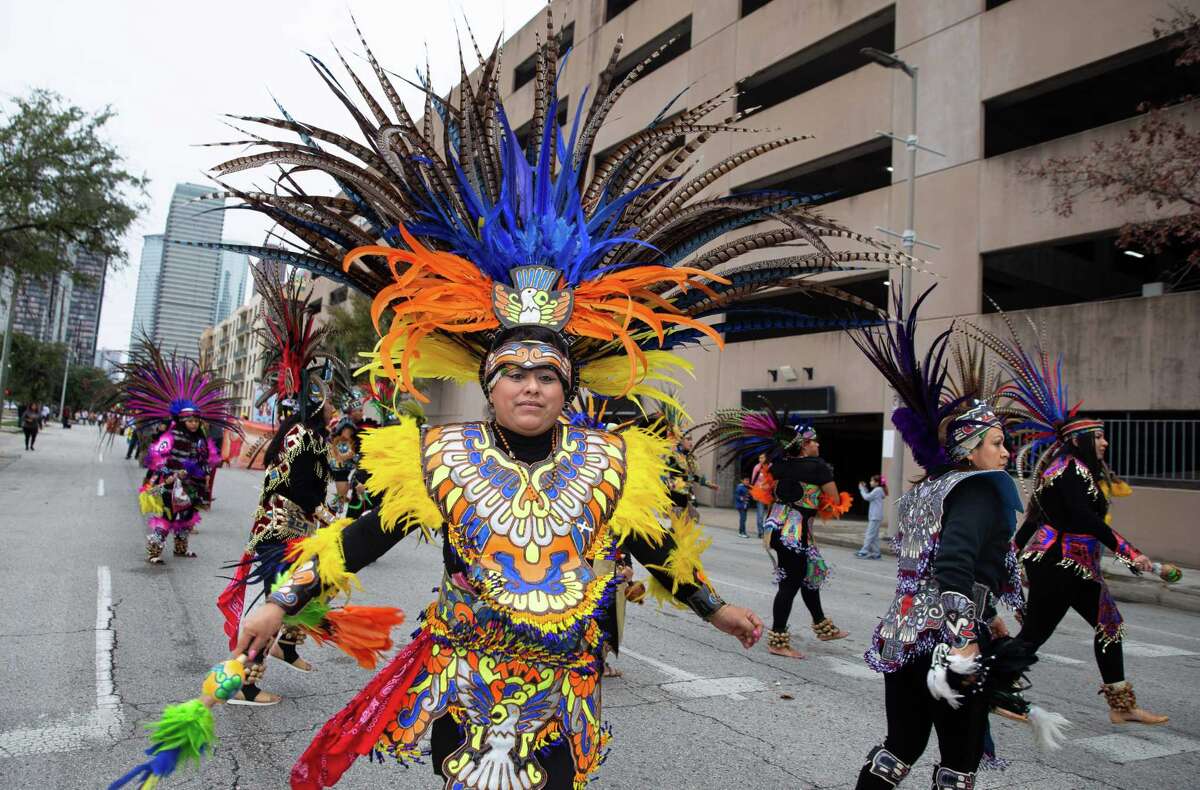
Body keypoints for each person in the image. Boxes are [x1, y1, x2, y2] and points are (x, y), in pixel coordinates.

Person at [115, 14, 916, 788]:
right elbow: (363, 536)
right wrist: (281, 602)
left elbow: (652, 547)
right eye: (515, 370)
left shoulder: (611, 458)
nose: (531, 382)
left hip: (565, 688)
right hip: (462, 676)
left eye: (547, 372)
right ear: (489, 381)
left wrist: (716, 611)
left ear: (570, 386)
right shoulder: (437, 454)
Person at [850, 289, 1044, 789]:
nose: (1005, 453)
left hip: (904, 636)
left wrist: (993, 618)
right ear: (971, 449)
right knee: (958, 762)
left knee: (900, 748)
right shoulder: (979, 489)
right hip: (944, 643)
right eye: (998, 443)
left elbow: (937, 560)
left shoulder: (928, 491)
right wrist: (966, 637)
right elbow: (954, 565)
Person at [975, 317, 1170, 726]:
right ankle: (992, 689)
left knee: (1098, 626)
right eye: (1098, 436)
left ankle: (1120, 706)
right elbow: (1083, 520)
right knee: (1057, 631)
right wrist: (1134, 556)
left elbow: (1033, 517)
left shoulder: (1066, 471)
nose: (1104, 442)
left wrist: (1013, 554)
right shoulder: (1068, 472)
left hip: (1066, 564)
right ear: (1081, 440)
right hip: (1062, 565)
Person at [217, 262, 339, 706]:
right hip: (281, 532)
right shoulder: (304, 435)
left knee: (306, 592)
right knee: (276, 603)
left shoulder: (303, 436)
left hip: (292, 531)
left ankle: (287, 647)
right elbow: (301, 490)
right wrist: (328, 517)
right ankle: (242, 686)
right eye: (328, 406)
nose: (333, 413)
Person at [116, 339, 239, 564]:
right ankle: (154, 550)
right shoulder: (171, 436)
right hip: (170, 484)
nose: (193, 424)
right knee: (167, 516)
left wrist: (209, 464)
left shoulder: (201, 439)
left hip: (191, 485)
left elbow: (206, 460)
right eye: (189, 420)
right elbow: (155, 456)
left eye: (195, 420)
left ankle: (181, 548)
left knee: (186, 517)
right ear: (181, 420)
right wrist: (169, 473)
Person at [763, 425, 852, 656]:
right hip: (794, 534)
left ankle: (823, 627)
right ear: (803, 445)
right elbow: (834, 499)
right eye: (814, 441)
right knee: (790, 584)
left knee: (811, 574)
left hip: (776, 529)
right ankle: (777, 640)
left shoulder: (778, 466)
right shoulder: (817, 467)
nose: (818, 445)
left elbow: (767, 490)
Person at [856, 474, 886, 559]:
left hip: (875, 517)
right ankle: (877, 553)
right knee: (874, 536)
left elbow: (867, 497)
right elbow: (869, 496)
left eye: (872, 480)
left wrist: (861, 489)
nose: (870, 482)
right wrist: (864, 489)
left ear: (877, 483)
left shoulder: (878, 490)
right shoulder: (878, 490)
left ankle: (864, 551)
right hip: (875, 516)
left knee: (869, 534)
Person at [751, 452, 772, 537]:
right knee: (760, 514)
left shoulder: (770, 466)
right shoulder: (757, 467)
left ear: (766, 458)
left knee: (770, 515)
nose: (760, 459)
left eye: (762, 458)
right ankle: (761, 532)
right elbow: (753, 481)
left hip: (770, 494)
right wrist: (754, 494)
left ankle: (769, 533)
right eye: (759, 458)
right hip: (760, 494)